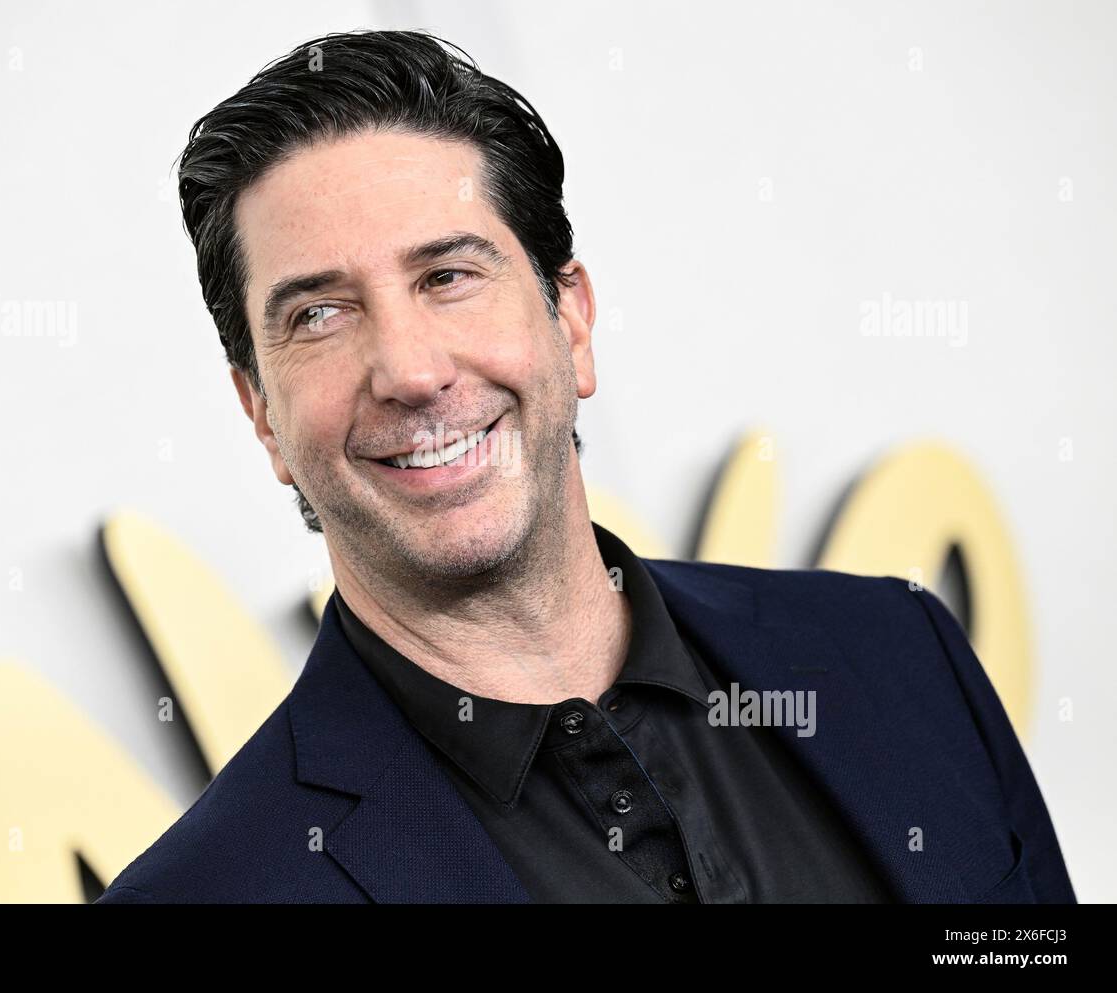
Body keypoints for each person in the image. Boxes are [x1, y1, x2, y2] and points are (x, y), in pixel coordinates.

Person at [96, 29, 1074, 904]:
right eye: (319, 314)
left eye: (447, 276)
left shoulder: (898, 654)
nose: (409, 369)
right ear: (261, 415)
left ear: (571, 320)